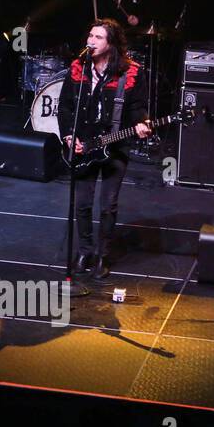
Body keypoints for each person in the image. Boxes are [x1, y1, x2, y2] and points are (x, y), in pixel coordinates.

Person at [57, 19, 152, 282]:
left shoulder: (130, 72)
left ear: (111, 43)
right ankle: (84, 251)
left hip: (115, 145)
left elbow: (137, 108)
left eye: (98, 37)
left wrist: (142, 123)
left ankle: (102, 255)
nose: (91, 41)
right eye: (90, 36)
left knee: (107, 205)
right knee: (83, 203)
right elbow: (64, 107)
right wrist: (68, 136)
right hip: (83, 145)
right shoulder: (78, 69)